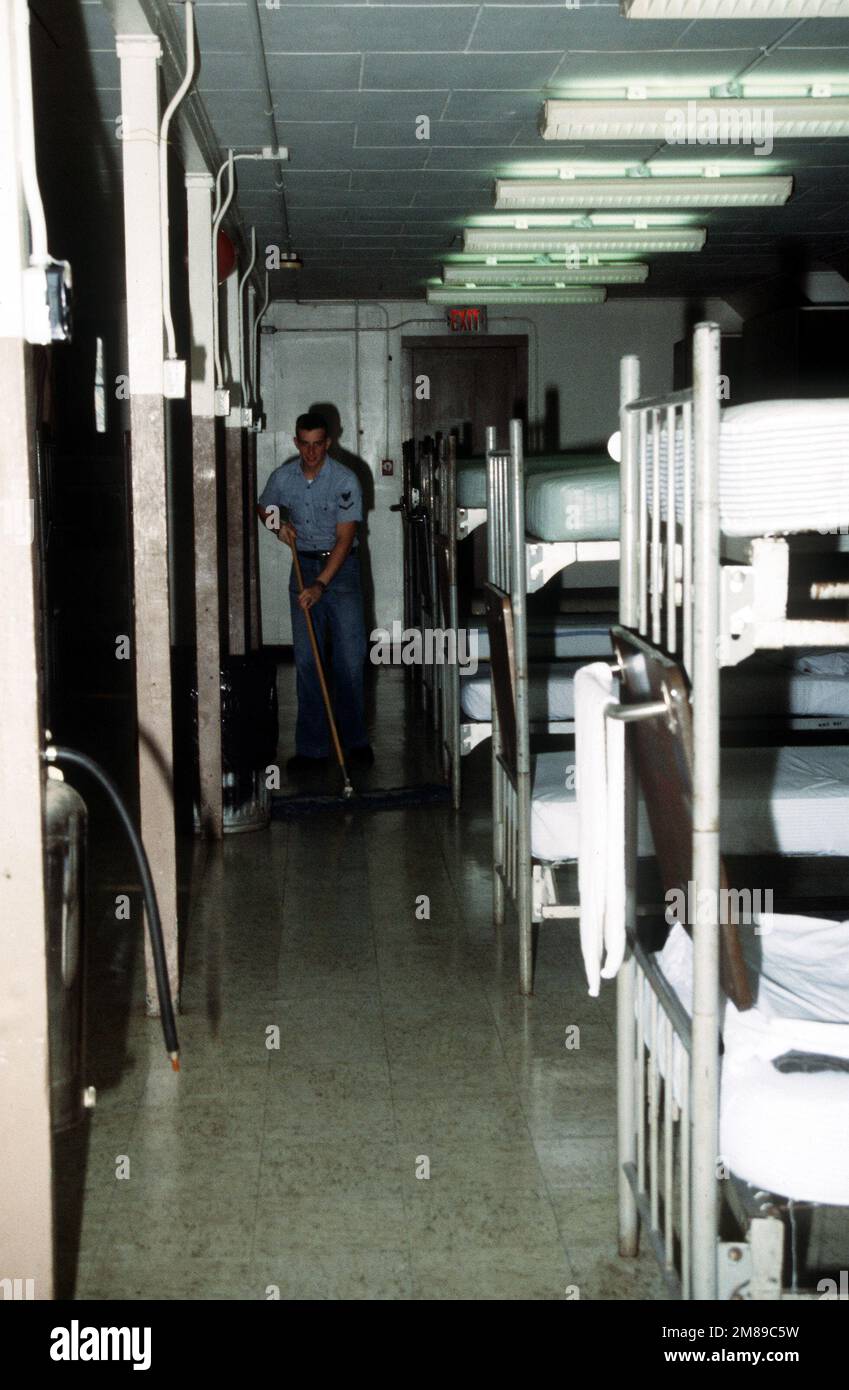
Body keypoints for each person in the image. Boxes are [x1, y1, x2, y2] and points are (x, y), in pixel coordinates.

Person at [257, 412, 372, 772]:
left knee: (350, 661)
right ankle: (312, 750)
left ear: (329, 442)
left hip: (341, 570)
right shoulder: (284, 476)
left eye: (317, 444)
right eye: (304, 444)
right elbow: (265, 506)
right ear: (296, 442)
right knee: (308, 661)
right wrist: (277, 528)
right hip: (301, 564)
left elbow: (345, 538)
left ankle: (355, 742)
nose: (311, 452)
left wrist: (321, 584)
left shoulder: (345, 480)